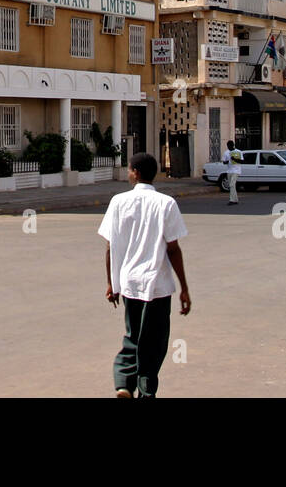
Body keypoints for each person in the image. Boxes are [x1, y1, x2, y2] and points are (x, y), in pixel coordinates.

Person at [98, 152, 191, 398]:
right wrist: (184, 288)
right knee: (155, 341)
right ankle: (146, 389)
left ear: (136, 173)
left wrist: (111, 283)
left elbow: (110, 246)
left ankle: (123, 383)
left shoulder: (118, 201)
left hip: (129, 283)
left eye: (128, 169)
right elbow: (173, 249)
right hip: (157, 286)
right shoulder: (166, 204)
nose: (127, 173)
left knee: (132, 336)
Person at [221, 139, 240, 205]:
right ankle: (236, 199)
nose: (229, 147)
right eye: (228, 146)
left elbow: (242, 161)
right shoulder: (226, 152)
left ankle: (231, 200)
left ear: (233, 145)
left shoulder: (238, 152)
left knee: (232, 184)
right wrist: (228, 161)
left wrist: (235, 159)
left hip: (236, 171)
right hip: (229, 171)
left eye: (230, 146)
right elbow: (224, 162)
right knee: (231, 186)